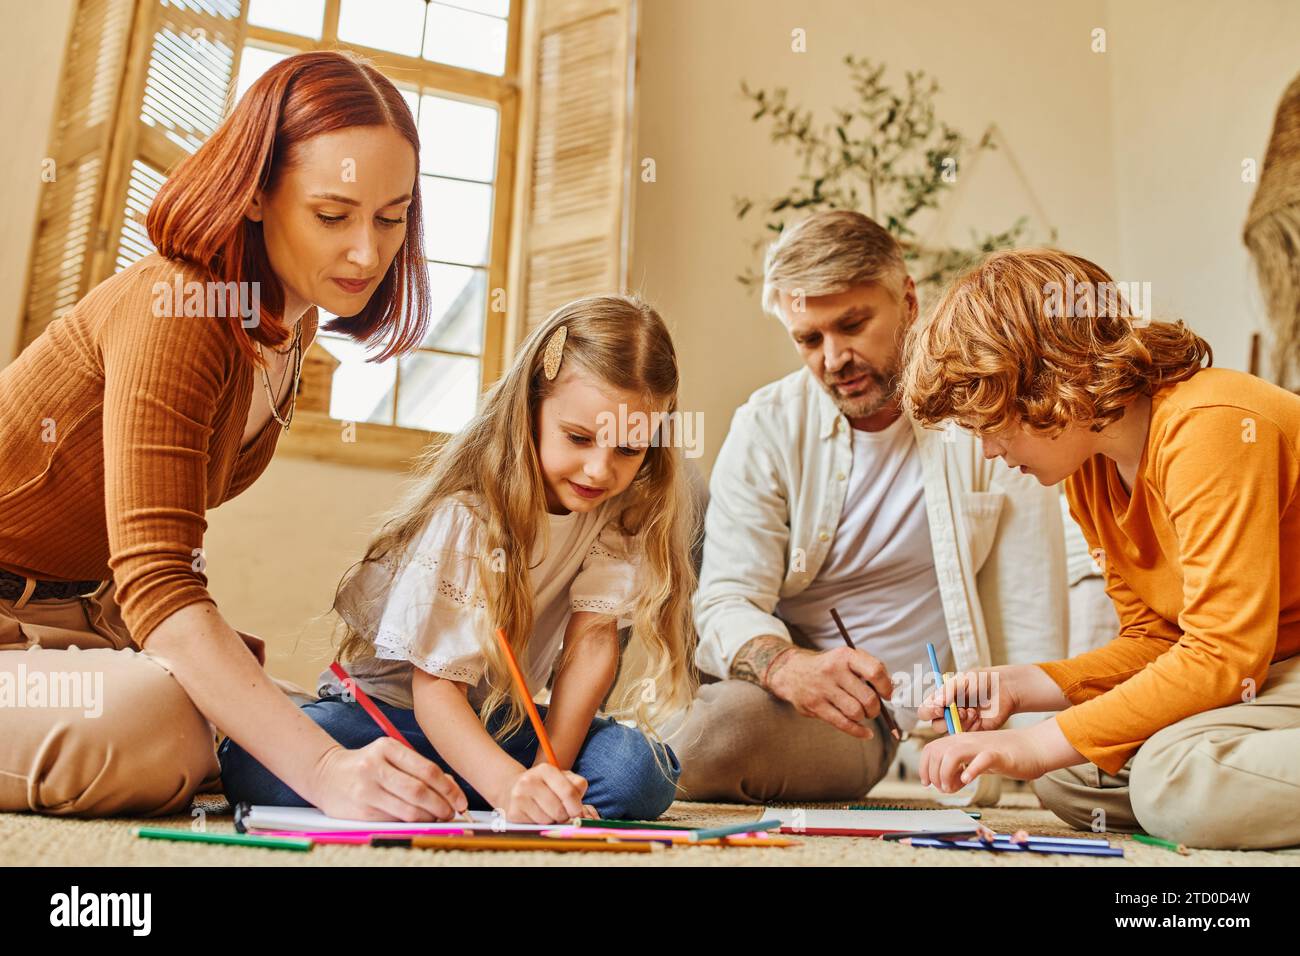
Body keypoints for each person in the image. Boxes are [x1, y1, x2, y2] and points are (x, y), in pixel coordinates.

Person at [0, 50, 467, 821]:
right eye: (332, 215)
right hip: (31, 626)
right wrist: (324, 772)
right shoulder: (177, 305)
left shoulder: (289, 322)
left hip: (79, 622)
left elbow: (148, 579)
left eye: (392, 218)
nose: (367, 252)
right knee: (160, 725)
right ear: (255, 195)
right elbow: (159, 582)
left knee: (299, 714)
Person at [220, 296, 698, 822]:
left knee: (639, 773)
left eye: (629, 450)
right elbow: (435, 690)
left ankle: (442, 793)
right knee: (254, 765)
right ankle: (406, 768)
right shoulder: (468, 516)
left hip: (496, 721)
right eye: (578, 438)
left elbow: (591, 645)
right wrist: (506, 786)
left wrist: (544, 777)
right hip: (395, 718)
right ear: (531, 408)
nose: (598, 471)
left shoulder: (620, 516)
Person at [904, 247, 1300, 850]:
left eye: (991, 423)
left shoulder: (1211, 425)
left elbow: (1222, 653)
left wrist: (1033, 741)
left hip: (1261, 664)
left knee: (1167, 777)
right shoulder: (1089, 472)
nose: (988, 451)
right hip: (1266, 668)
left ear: (1047, 382)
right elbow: (1156, 639)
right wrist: (1022, 685)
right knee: (1071, 778)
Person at [671, 210, 1066, 805]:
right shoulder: (768, 427)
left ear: (907, 299)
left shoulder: (988, 410)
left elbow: (1032, 600)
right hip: (761, 674)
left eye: (852, 325)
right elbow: (727, 597)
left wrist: (1035, 748)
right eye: (809, 339)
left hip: (858, 718)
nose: (833, 359)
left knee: (709, 736)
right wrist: (787, 667)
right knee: (666, 485)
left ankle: (622, 748)